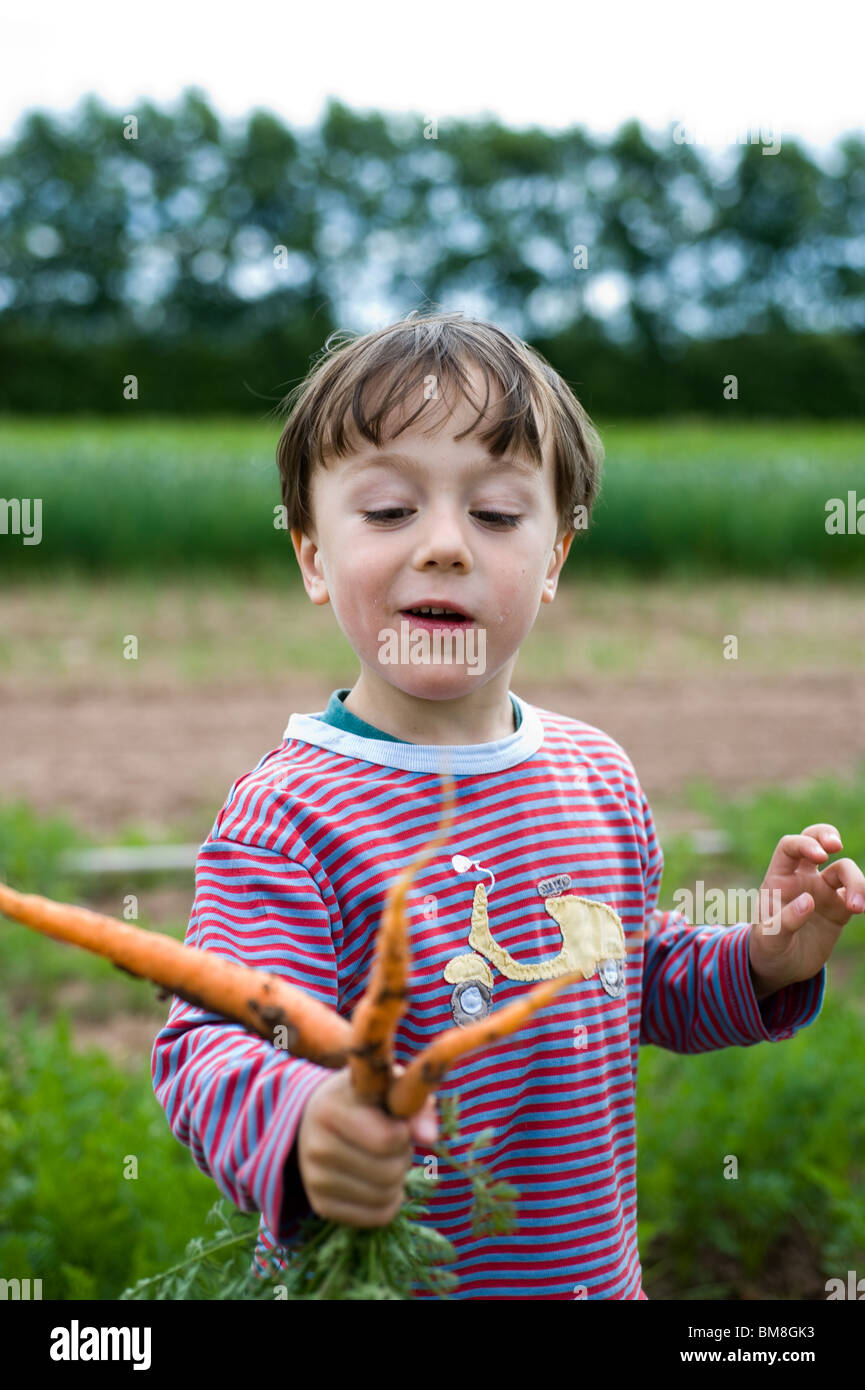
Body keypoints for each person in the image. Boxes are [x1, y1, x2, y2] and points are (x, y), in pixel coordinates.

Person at [151, 308, 865, 1299]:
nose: (444, 545)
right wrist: (304, 1117)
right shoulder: (290, 812)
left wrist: (759, 959)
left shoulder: (594, 772)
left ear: (556, 557)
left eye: (493, 514)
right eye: (390, 510)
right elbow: (212, 1038)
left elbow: (624, 973)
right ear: (312, 555)